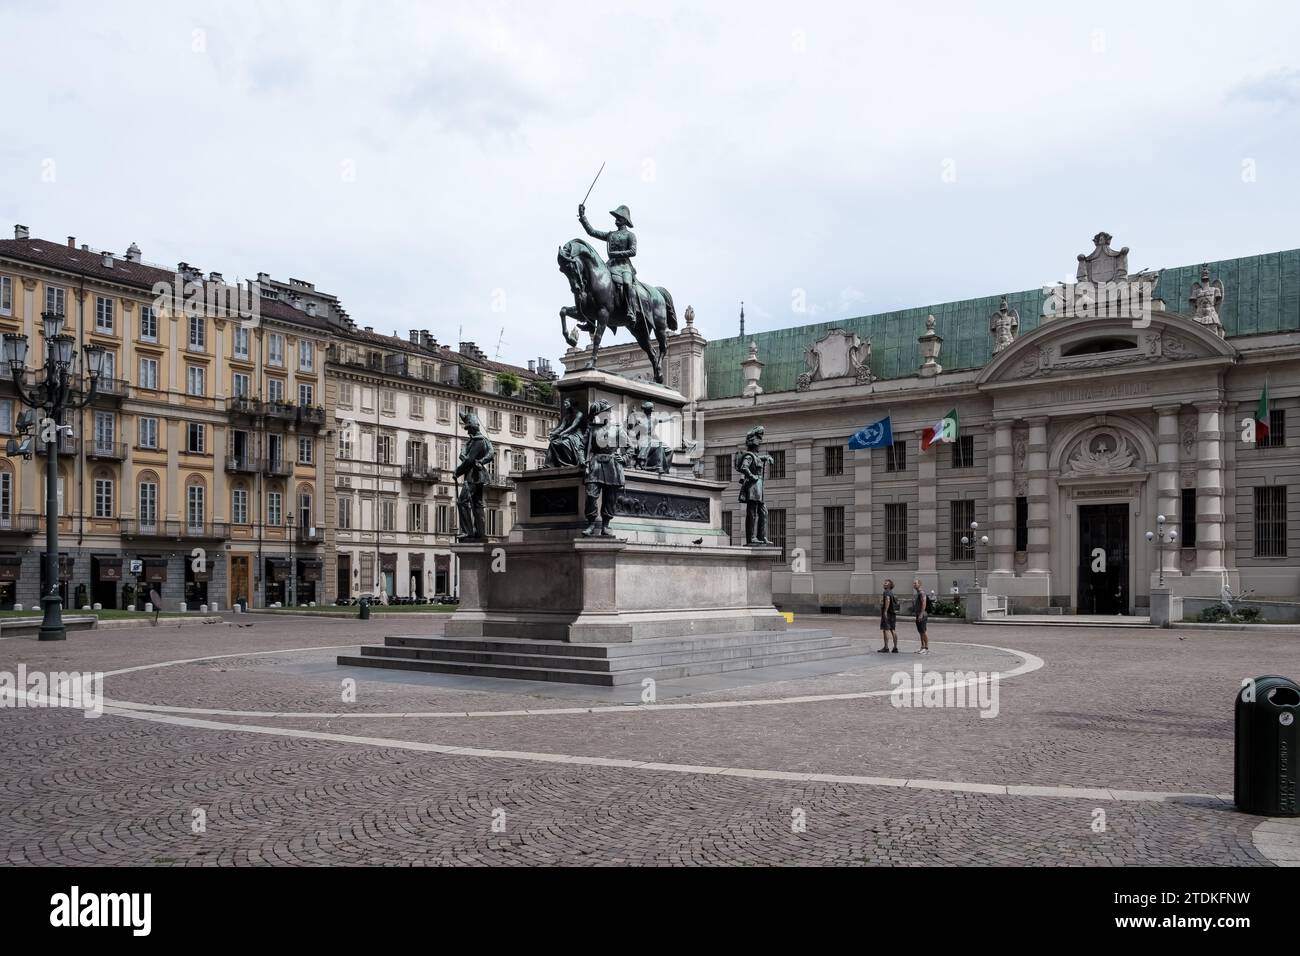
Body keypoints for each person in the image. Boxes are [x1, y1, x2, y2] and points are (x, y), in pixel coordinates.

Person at [578, 203, 638, 326]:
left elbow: (633, 251)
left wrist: (615, 254)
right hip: (610, 266)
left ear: (625, 220)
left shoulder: (630, 235)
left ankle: (631, 310)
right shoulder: (611, 235)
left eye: (619, 217)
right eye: (616, 217)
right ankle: (590, 320)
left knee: (627, 283)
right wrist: (583, 217)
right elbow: (592, 232)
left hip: (624, 266)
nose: (616, 219)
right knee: (595, 284)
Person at [878, 579, 899, 653]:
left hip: (888, 613)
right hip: (893, 613)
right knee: (893, 630)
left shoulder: (886, 592)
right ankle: (895, 647)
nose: (884, 584)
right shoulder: (891, 592)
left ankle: (886, 647)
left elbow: (888, 600)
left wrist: (885, 611)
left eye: (886, 583)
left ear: (890, 585)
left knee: (885, 629)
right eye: (884, 582)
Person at [912, 578, 930, 655]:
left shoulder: (922, 593)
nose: (914, 585)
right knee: (920, 632)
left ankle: (926, 648)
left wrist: (921, 614)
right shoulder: (918, 593)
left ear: (919, 584)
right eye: (913, 583)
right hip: (918, 614)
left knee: (923, 631)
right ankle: (922, 647)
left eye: (915, 583)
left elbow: (924, 603)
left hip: (922, 615)